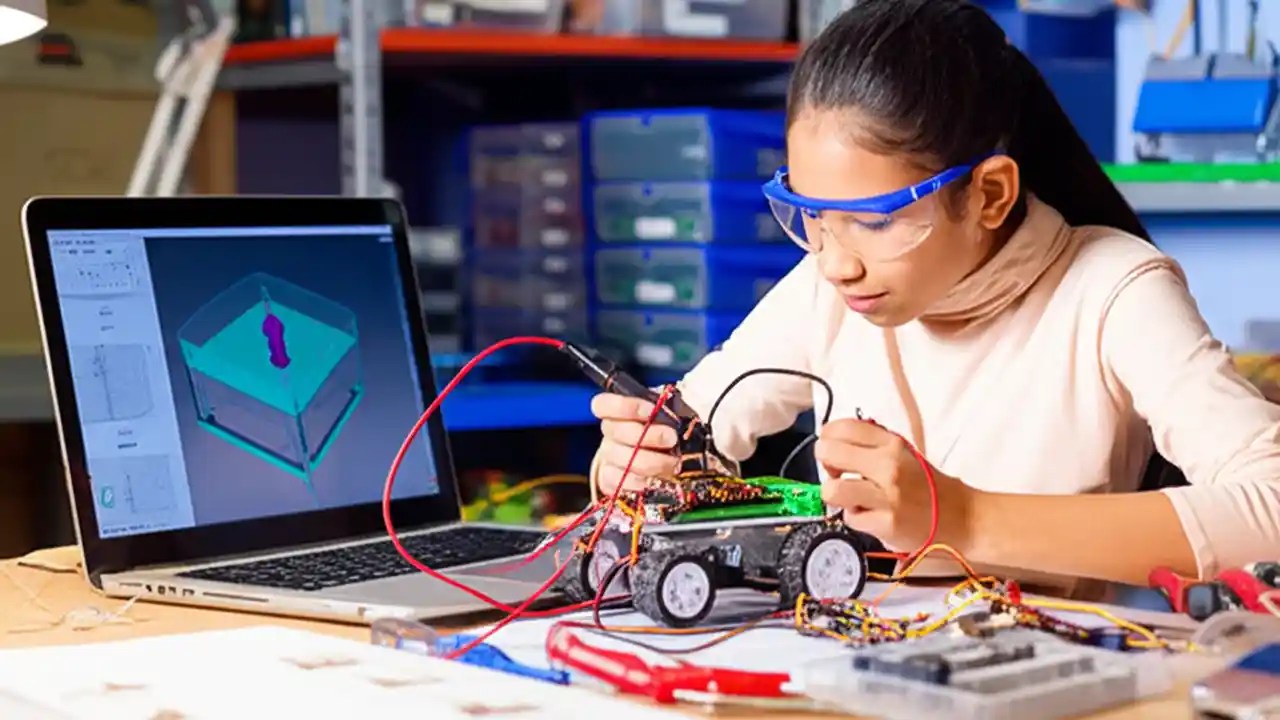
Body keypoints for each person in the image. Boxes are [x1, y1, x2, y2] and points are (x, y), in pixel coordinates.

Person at [588, 0, 1280, 587]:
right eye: (812, 217)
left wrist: (963, 516)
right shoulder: (829, 288)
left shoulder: (1112, 292)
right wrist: (632, 468)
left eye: (876, 221)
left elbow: (1270, 510)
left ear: (990, 194)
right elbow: (686, 431)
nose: (835, 263)